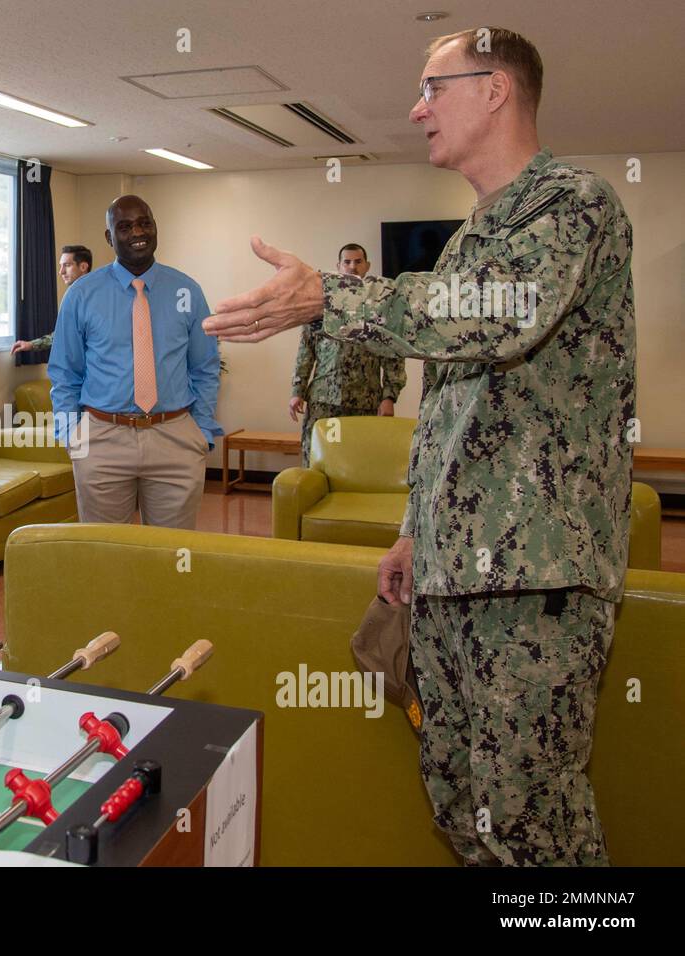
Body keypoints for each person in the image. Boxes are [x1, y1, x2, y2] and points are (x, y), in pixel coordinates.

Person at [203, 27, 634, 866]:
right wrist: (414, 528)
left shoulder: (573, 202)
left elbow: (499, 317)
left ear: (496, 90)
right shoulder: (471, 236)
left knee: (533, 828)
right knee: (460, 805)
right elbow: (449, 407)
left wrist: (329, 294)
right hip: (451, 576)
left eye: (434, 88)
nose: (415, 107)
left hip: (533, 585)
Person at [49, 196, 221, 529]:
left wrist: (201, 431)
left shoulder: (187, 291)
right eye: (124, 227)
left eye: (144, 223)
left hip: (175, 436)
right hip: (102, 437)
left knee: (171, 554)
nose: (137, 232)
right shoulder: (82, 295)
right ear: (109, 237)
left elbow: (205, 367)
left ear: (155, 226)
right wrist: (71, 433)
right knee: (105, 555)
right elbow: (65, 372)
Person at [289, 243, 407, 465]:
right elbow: (306, 351)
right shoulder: (321, 305)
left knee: (359, 461)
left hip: (365, 402)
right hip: (325, 401)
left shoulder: (380, 307)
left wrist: (389, 397)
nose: (352, 266)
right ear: (339, 266)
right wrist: (297, 391)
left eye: (358, 261)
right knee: (320, 459)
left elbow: (394, 355)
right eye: (347, 262)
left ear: (367, 265)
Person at [11, 245, 93, 354]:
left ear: (83, 267)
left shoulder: (98, 297)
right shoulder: (74, 297)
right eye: (61, 266)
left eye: (67, 265)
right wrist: (31, 344)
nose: (61, 272)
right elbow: (64, 333)